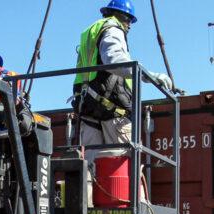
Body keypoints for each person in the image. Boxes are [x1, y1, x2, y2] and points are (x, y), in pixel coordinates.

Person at [71, 0, 172, 162]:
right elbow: (113, 59)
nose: (130, 25)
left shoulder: (92, 31)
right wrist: (151, 77)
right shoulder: (113, 28)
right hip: (113, 112)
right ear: (119, 15)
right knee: (122, 170)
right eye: (128, 20)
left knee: (89, 172)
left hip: (89, 107)